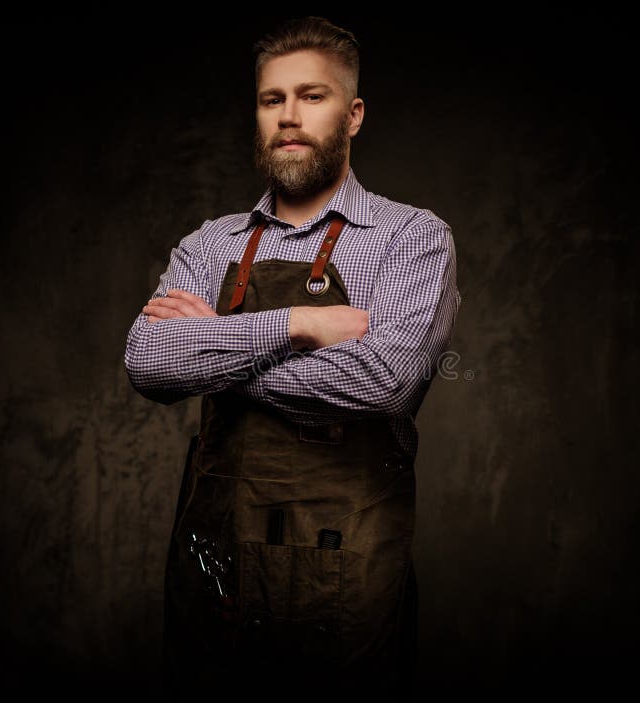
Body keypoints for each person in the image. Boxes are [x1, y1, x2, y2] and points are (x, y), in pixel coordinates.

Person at [124, 15, 460, 700]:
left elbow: (383, 379)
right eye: (272, 99)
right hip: (214, 564)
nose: (288, 116)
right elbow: (149, 361)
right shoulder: (210, 243)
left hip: (347, 570)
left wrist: (215, 343)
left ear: (353, 113)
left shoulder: (411, 238)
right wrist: (302, 322)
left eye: (312, 96)